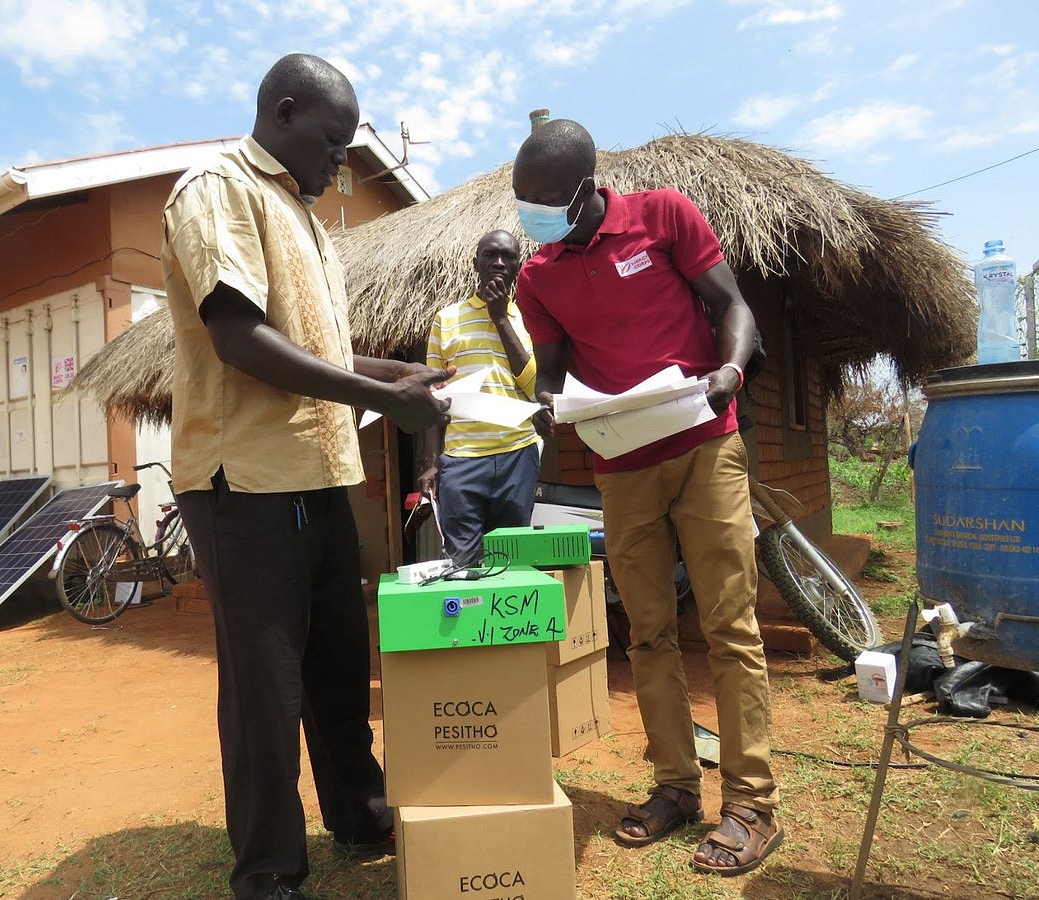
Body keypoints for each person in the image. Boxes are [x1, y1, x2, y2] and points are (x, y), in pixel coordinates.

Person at [161, 54, 452, 900]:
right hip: (243, 482)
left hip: (318, 471)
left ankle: (359, 815)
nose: (340, 161)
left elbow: (312, 352)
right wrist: (375, 395)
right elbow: (240, 337)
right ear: (282, 113)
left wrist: (388, 372)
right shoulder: (218, 189)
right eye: (331, 141)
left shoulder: (307, 217)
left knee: (335, 657)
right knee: (266, 683)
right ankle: (268, 869)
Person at [512, 119, 782, 877]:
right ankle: (675, 787)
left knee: (729, 623)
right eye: (521, 200)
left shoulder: (664, 215)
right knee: (648, 632)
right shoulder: (539, 275)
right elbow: (552, 365)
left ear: (585, 189)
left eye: (541, 199)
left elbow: (734, 307)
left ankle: (752, 804)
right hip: (620, 464)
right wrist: (542, 400)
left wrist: (729, 369)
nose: (529, 212)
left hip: (703, 443)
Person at [417, 229, 540, 565]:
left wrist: (500, 317)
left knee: (511, 561)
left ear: (517, 266)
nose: (498, 263)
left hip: (517, 454)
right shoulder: (447, 319)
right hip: (461, 460)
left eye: (507, 257)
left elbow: (533, 387)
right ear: (475, 263)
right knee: (462, 562)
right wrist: (431, 463)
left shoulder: (530, 318)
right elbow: (432, 397)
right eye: (490, 255)